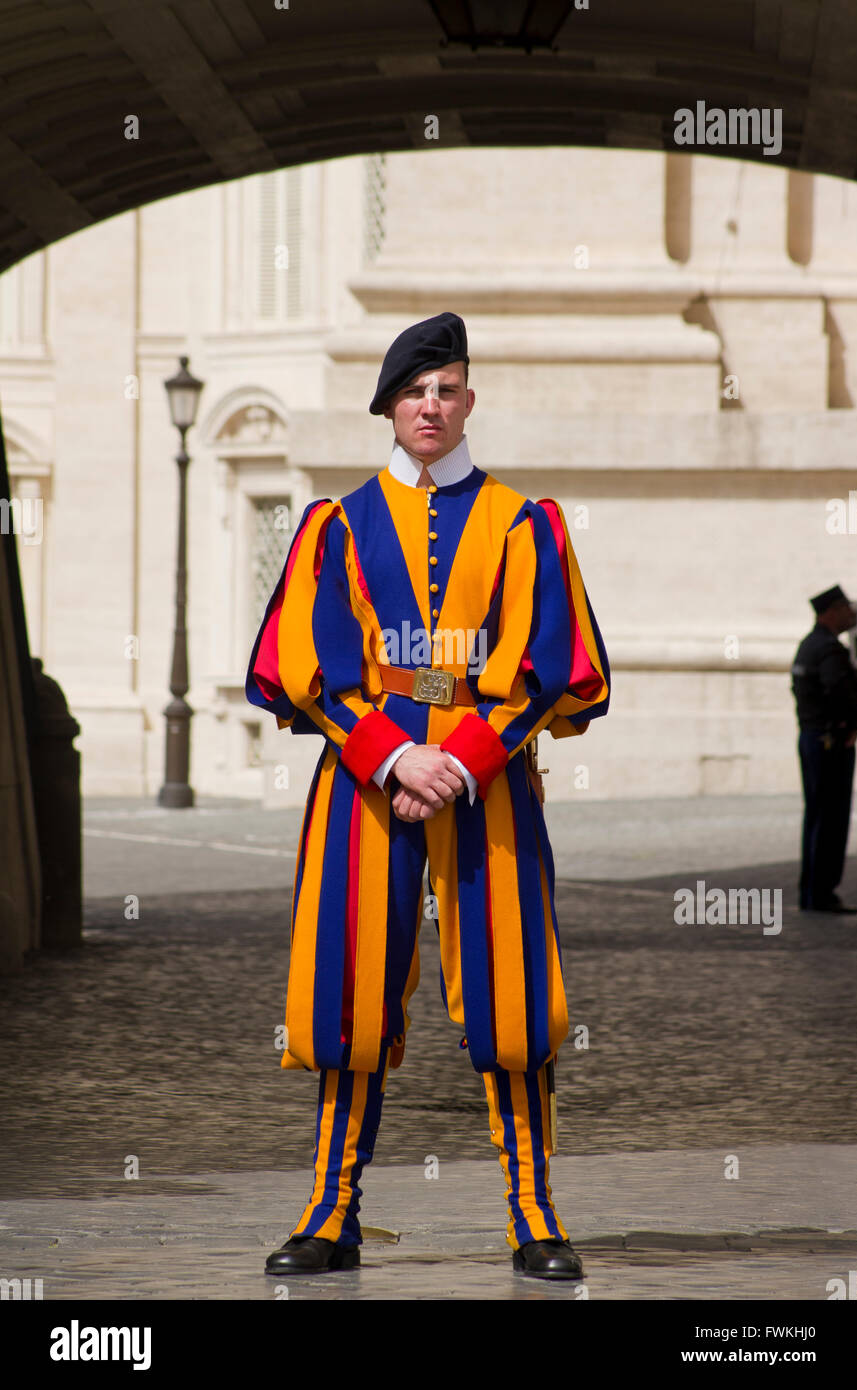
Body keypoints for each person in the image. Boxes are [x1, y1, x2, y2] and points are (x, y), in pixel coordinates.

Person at [245, 311, 610, 1279]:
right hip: (365, 789)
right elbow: (300, 667)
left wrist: (461, 758)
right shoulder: (335, 525)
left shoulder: (525, 522)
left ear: (468, 401)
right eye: (413, 392)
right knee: (347, 998)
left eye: (446, 389)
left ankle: (533, 1214)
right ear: (389, 408)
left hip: (487, 784)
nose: (430, 406)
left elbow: (554, 666)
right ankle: (330, 1213)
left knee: (513, 1001)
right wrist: (395, 757)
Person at [791, 584, 857, 913]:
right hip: (831, 741)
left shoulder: (808, 646)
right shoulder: (830, 650)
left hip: (811, 737)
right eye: (846, 607)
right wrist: (851, 725)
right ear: (832, 611)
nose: (852, 614)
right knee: (832, 818)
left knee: (817, 816)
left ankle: (811, 891)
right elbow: (838, 692)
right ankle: (822, 893)